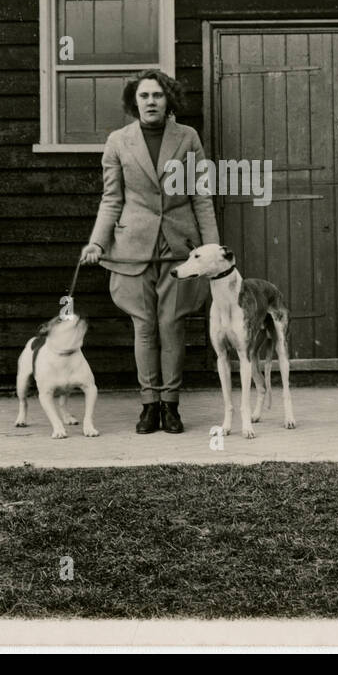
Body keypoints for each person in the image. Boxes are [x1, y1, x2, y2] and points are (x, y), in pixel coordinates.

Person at [80, 70, 219, 435]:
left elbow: (200, 196)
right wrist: (97, 242)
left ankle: (171, 406)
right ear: (134, 101)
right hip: (133, 247)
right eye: (144, 96)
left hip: (179, 248)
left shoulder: (187, 137)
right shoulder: (118, 141)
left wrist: (209, 249)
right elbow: (112, 198)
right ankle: (148, 405)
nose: (151, 102)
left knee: (172, 326)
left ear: (168, 99)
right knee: (144, 327)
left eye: (157, 95)